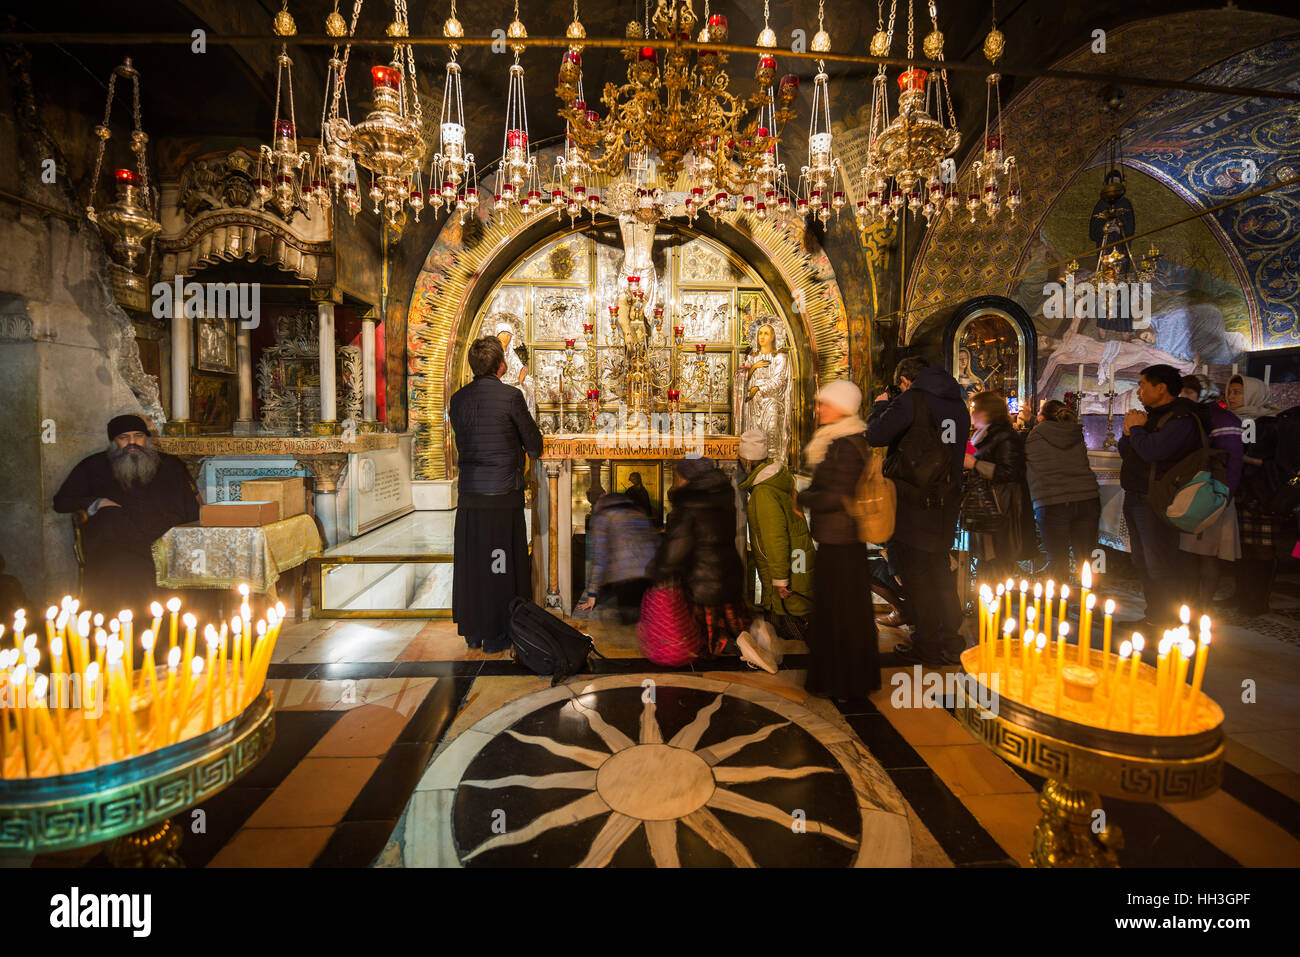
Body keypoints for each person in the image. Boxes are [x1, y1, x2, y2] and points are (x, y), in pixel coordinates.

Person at [867, 357, 969, 667]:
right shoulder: (958, 404)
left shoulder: (913, 400)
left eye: (900, 384)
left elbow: (875, 435)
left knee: (917, 575)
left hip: (913, 502)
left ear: (906, 381)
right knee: (940, 570)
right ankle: (952, 642)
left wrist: (881, 406)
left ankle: (926, 644)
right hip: (946, 502)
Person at [448, 335, 543, 652]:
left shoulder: (458, 400)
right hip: (502, 498)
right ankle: (498, 633)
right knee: (499, 565)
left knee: (475, 565)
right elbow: (535, 445)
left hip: (471, 498)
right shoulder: (511, 397)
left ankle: (473, 631)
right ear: (501, 365)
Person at [52, 414, 200, 619]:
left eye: (138, 436)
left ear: (146, 438)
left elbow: (191, 509)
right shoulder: (93, 466)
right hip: (116, 547)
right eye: (124, 437)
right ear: (113, 441)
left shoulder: (170, 465)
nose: (132, 442)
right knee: (126, 571)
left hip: (165, 541)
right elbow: (61, 501)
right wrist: (97, 503)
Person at [797, 380, 880, 696]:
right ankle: (844, 676)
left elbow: (837, 494)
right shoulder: (838, 440)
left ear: (843, 407)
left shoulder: (846, 444)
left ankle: (841, 679)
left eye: (825, 404)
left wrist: (803, 499)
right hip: (839, 539)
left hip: (842, 541)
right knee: (840, 610)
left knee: (841, 612)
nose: (819, 410)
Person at [1117, 363, 1208, 629]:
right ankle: (1153, 618)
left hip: (1155, 500)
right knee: (1143, 562)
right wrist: (1128, 433)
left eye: (1142, 385)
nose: (1139, 391)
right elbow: (1130, 453)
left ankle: (1170, 624)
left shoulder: (1181, 419)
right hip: (1135, 496)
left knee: (1161, 564)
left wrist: (1135, 430)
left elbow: (1153, 452)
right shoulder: (1152, 416)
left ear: (1161, 388)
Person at [648, 455, 748, 657]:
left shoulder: (689, 505)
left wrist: (659, 570)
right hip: (728, 572)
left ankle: (707, 677)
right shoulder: (723, 495)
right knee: (729, 629)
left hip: (701, 580)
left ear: (687, 477)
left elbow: (677, 546)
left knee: (703, 640)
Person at [739, 428, 813, 644]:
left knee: (794, 625)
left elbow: (775, 540)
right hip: (798, 558)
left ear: (748, 461)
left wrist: (781, 580)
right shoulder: (780, 479)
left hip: (786, 568)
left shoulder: (763, 492)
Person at [1178, 375, 1242, 611]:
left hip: (1214, 494)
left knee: (1207, 554)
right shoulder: (1191, 417)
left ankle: (1202, 605)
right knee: (1188, 553)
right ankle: (1189, 603)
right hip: (1190, 493)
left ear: (1204, 393)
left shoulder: (1223, 419)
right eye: (1181, 391)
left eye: (1189, 392)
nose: (1183, 396)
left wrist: (1222, 498)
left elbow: (1232, 463)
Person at [1228, 374, 1287, 616]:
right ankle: (1242, 596)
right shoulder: (1232, 420)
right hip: (1240, 492)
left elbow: (1281, 462)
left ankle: (1259, 600)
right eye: (1229, 392)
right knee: (1242, 548)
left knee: (1262, 548)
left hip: (1263, 495)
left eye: (1237, 392)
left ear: (1253, 392)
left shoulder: (1271, 423)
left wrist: (1246, 459)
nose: (1231, 397)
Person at [963, 392, 1036, 585]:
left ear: (987, 411)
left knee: (997, 563)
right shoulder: (984, 434)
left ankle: (996, 608)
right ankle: (988, 606)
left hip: (999, 507)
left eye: (975, 408)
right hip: (986, 506)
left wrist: (975, 465)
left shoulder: (1004, 436)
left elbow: (1011, 471)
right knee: (987, 561)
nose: (972, 412)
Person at [1025, 399, 1101, 582]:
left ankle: (1058, 606)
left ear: (1041, 417)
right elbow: (1054, 436)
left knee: (1057, 560)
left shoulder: (1035, 435)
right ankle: (1092, 605)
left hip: (1052, 501)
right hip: (1087, 498)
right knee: (1087, 559)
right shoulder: (1075, 434)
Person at [575, 491, 658, 624]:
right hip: (647, 574)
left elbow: (599, 557)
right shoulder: (638, 513)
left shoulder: (604, 516)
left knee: (627, 623)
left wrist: (592, 594)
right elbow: (654, 543)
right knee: (645, 621)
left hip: (624, 576)